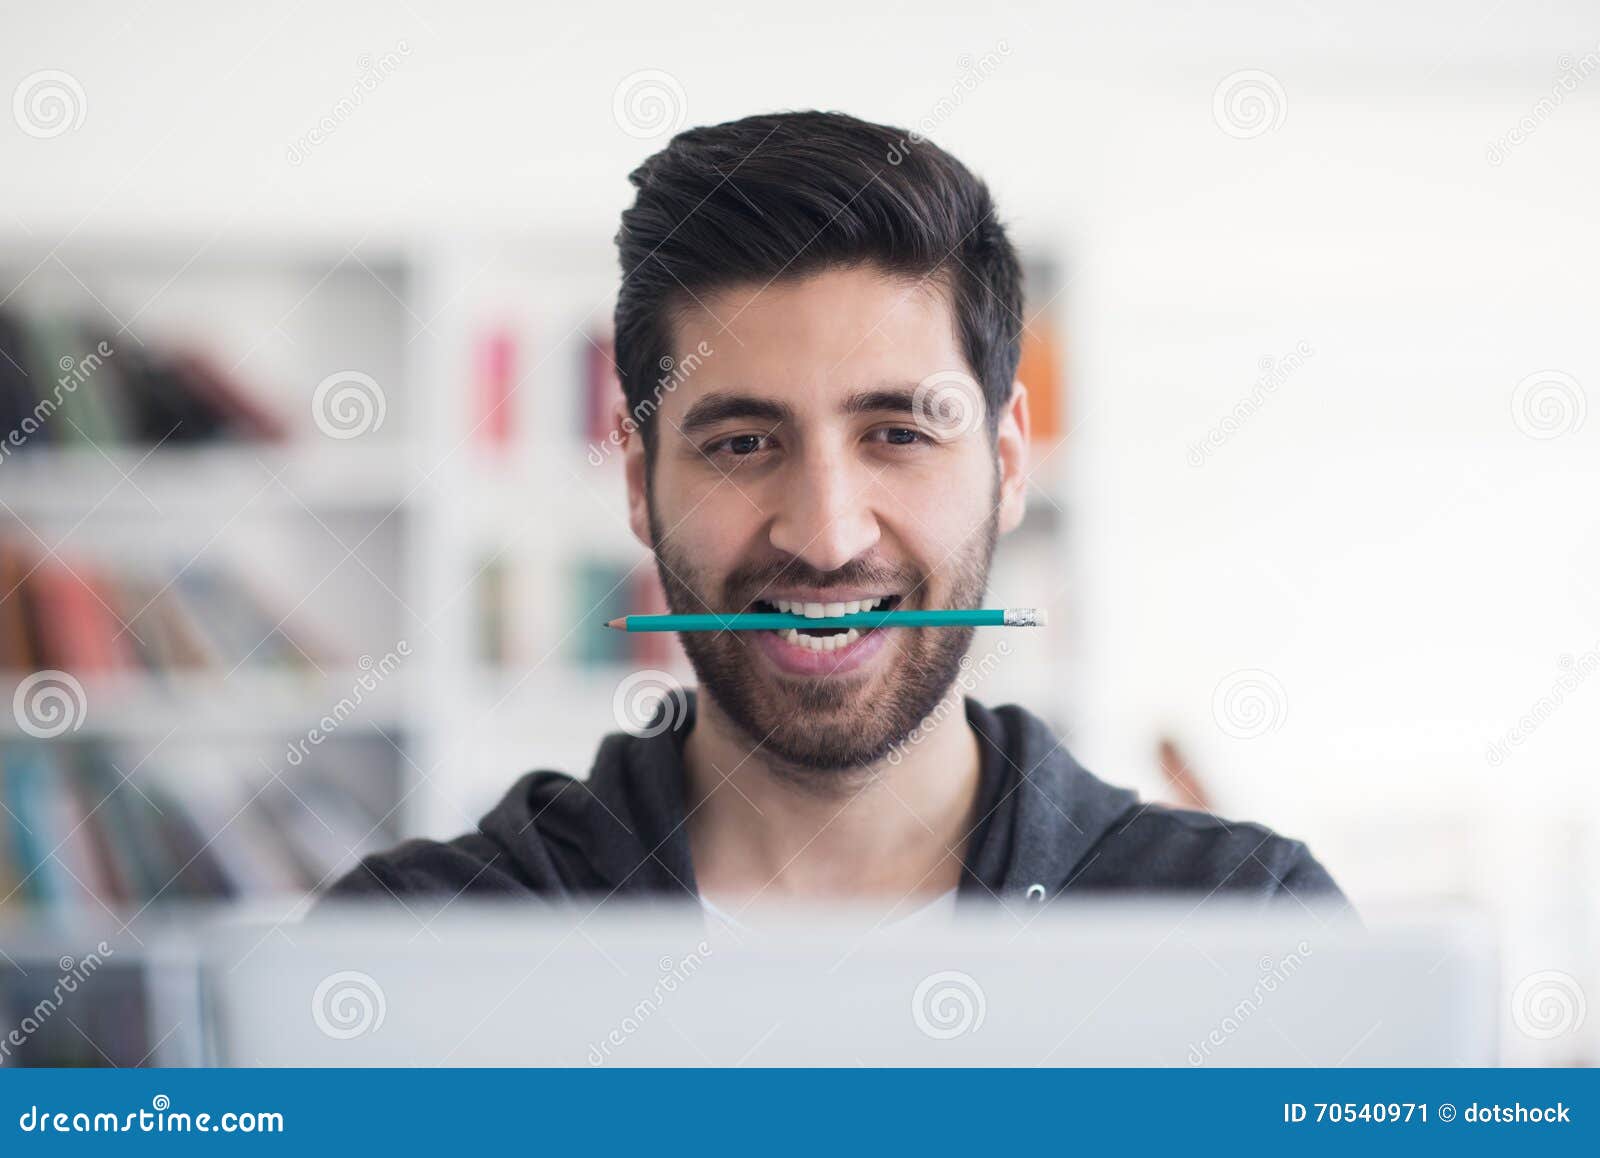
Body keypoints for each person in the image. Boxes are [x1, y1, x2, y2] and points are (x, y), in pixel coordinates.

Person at [325, 110, 1346, 923]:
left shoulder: (1244, 926)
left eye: (897, 434)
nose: (825, 537)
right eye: (742, 444)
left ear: (1005, 464)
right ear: (639, 484)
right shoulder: (410, 942)